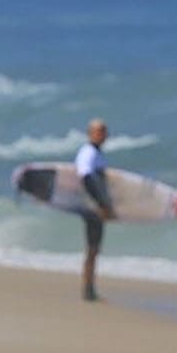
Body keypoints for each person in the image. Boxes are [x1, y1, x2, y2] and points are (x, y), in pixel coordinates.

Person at [74, 119, 115, 301]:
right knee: (92, 248)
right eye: (99, 131)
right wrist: (102, 204)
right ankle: (88, 290)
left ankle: (90, 288)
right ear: (90, 133)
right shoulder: (88, 153)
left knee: (95, 248)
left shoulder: (96, 153)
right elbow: (86, 178)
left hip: (94, 206)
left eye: (104, 131)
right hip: (92, 208)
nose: (103, 134)